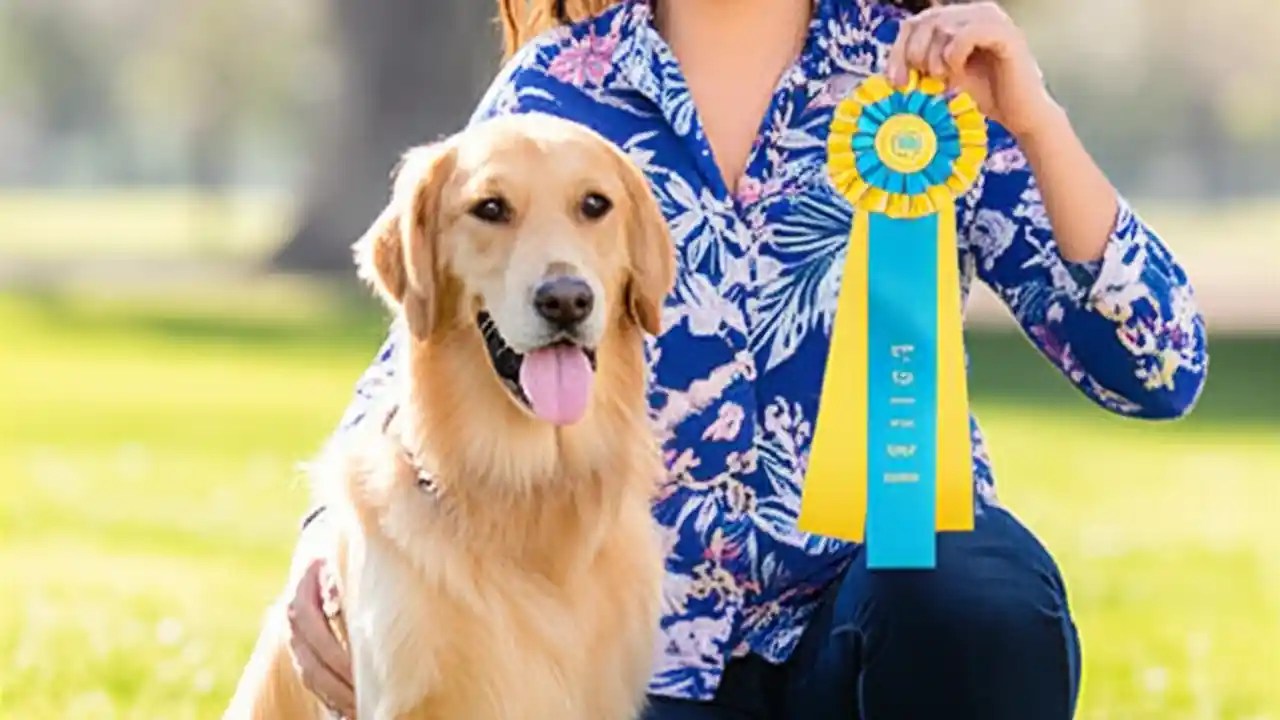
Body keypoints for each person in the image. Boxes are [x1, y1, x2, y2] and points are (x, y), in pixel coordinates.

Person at [283, 1, 1208, 718]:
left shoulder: (931, 81)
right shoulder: (555, 88)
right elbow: (423, 342)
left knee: (975, 601)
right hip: (631, 658)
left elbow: (1157, 367)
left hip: (876, 623)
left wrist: (1036, 123)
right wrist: (327, 530)